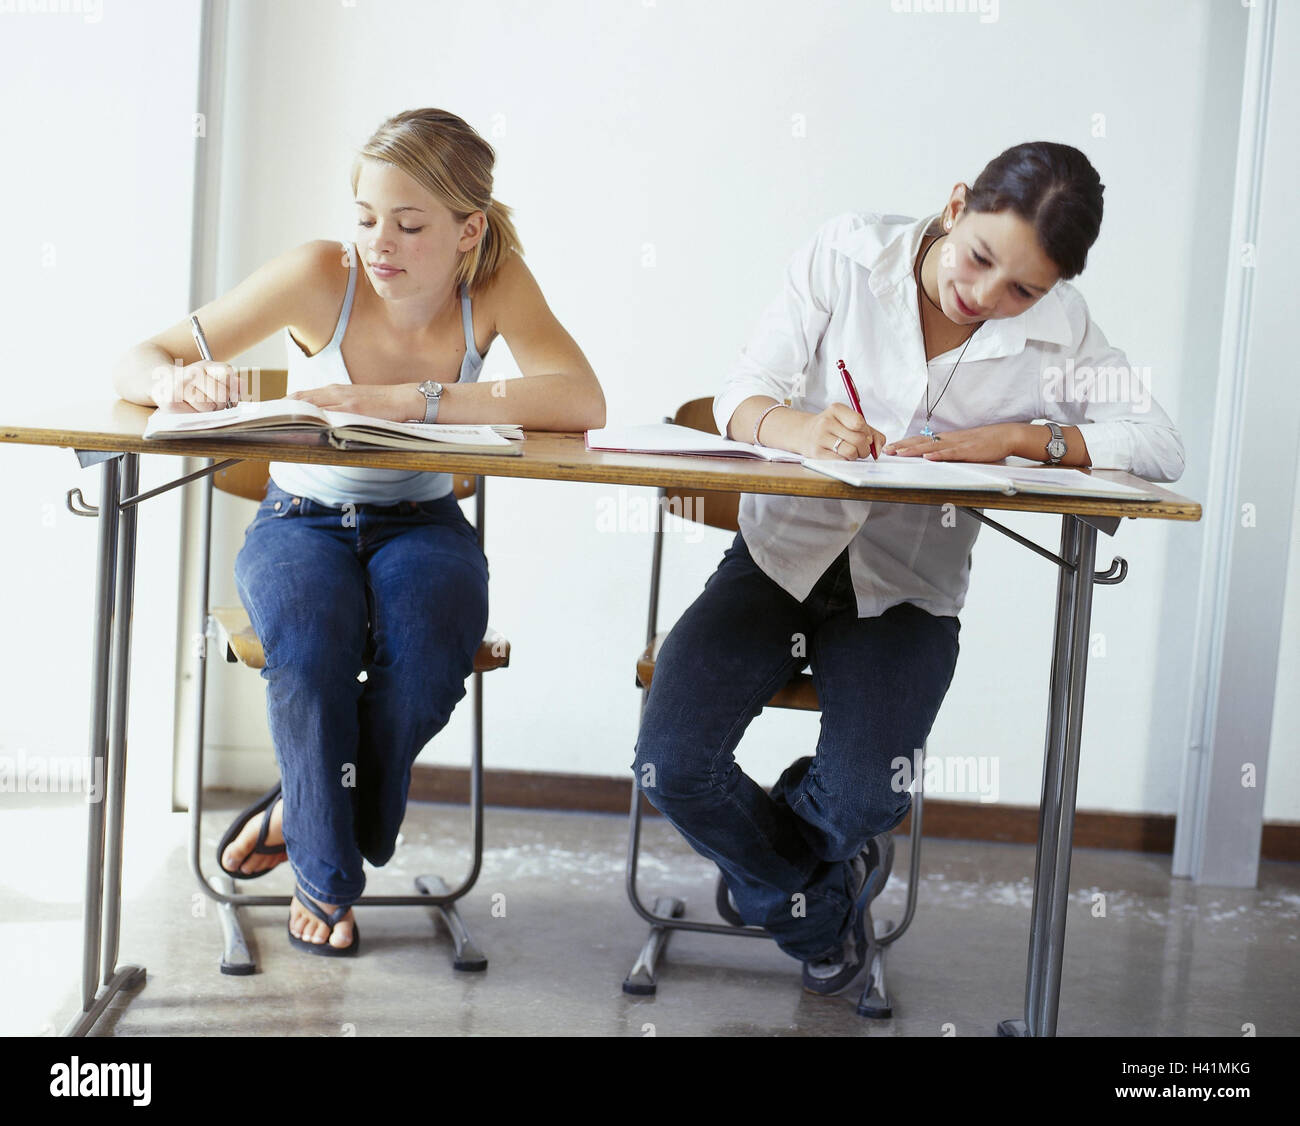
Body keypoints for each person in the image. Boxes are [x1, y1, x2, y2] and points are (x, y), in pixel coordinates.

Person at [632, 141, 1184, 997]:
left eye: (1023, 290)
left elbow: (1159, 445)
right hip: (779, 559)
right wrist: (797, 429)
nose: (985, 298)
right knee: (669, 764)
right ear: (956, 204)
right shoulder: (848, 253)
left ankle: (784, 868)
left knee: (865, 799)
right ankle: (818, 895)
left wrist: (1013, 437)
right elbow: (742, 390)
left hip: (907, 590)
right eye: (980, 259)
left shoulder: (1059, 329)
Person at [113, 107, 605, 955]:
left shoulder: (495, 281)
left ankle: (303, 812)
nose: (381, 243)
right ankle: (327, 876)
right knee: (308, 645)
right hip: (299, 520)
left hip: (421, 520)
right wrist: (173, 385)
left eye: (410, 225)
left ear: (467, 230)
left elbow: (581, 399)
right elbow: (140, 356)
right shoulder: (321, 273)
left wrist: (411, 401)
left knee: (433, 651)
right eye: (367, 217)